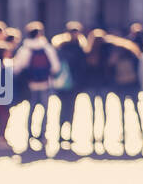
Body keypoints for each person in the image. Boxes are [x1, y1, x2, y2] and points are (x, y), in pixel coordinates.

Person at [13, 22, 60, 151]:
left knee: (31, 110)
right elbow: (56, 67)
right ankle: (43, 135)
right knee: (45, 110)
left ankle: (29, 134)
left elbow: (17, 67)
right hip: (45, 83)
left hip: (31, 84)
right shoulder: (47, 48)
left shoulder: (25, 49)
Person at [50, 23, 89, 149]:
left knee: (70, 108)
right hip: (67, 82)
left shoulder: (63, 47)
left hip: (71, 83)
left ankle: (67, 132)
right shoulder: (75, 47)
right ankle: (62, 133)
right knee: (65, 108)